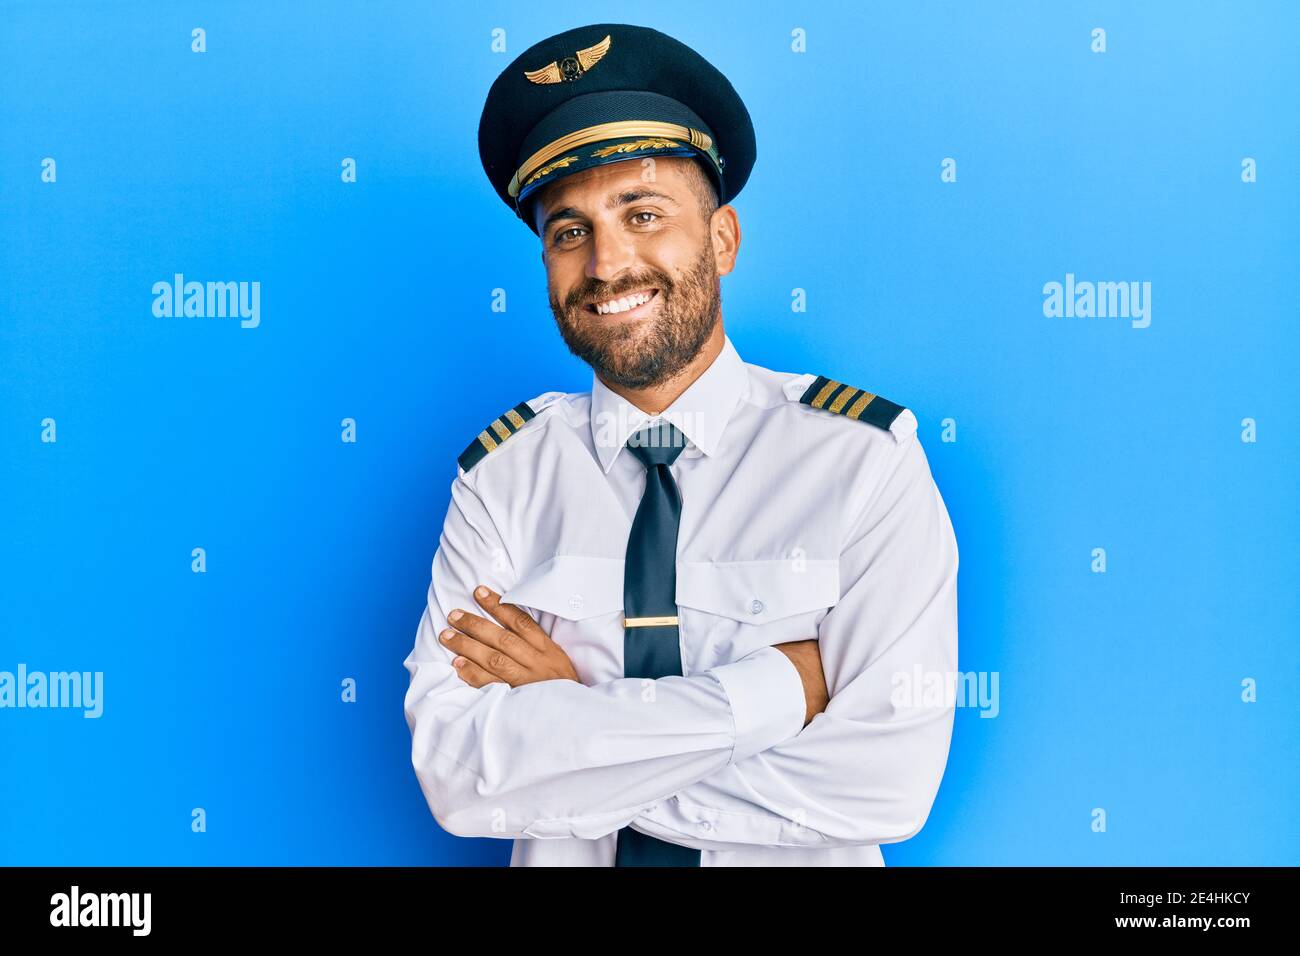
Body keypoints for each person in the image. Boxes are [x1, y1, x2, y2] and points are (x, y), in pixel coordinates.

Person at [401, 22, 959, 866]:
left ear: (724, 239)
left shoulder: (863, 463)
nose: (607, 264)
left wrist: (569, 719)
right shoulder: (500, 480)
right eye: (569, 231)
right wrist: (775, 693)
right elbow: (454, 773)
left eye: (644, 213)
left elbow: (885, 784)